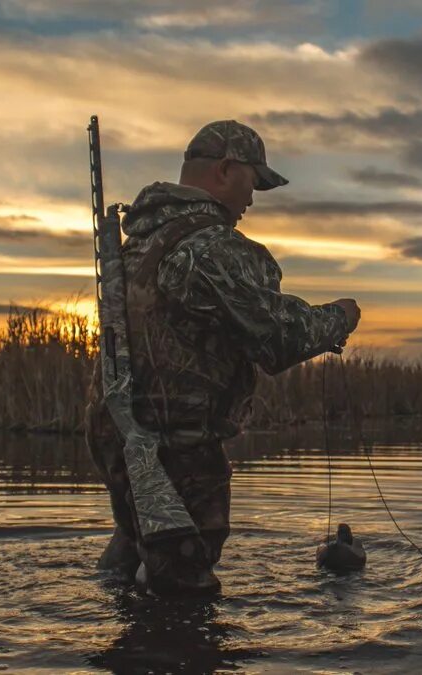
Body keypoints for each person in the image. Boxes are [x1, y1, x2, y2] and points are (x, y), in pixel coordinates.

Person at [87, 119, 361, 595]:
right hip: (178, 444)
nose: (252, 198)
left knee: (133, 549)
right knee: (187, 588)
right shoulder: (213, 247)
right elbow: (276, 338)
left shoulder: (140, 242)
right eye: (253, 181)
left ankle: (114, 624)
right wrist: (339, 318)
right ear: (226, 170)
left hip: (117, 432)